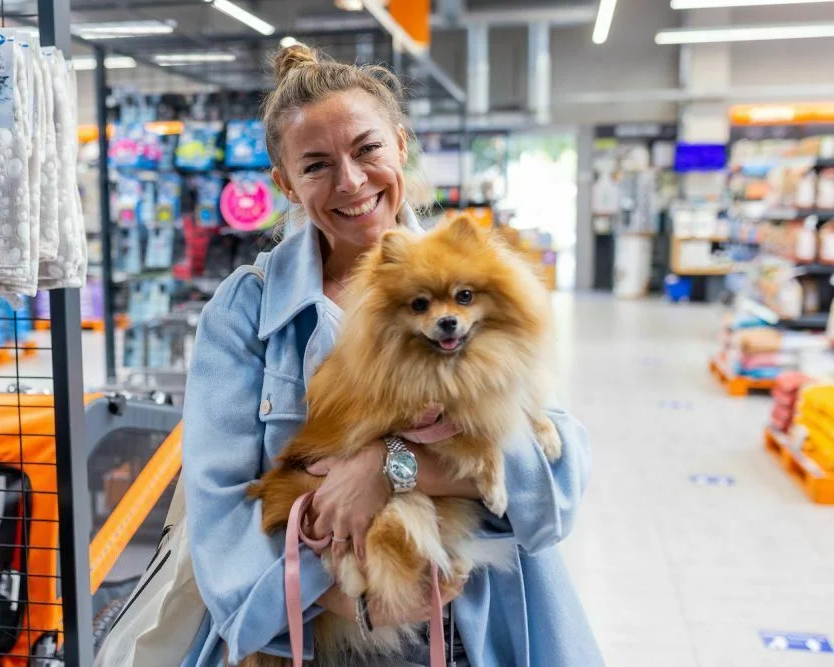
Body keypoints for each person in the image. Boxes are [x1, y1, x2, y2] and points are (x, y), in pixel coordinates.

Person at [180, 44, 604, 667]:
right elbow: (218, 502)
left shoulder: (473, 277)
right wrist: (337, 601)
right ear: (285, 183)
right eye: (317, 165)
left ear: (400, 145)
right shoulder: (249, 308)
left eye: (367, 149)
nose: (350, 182)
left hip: (473, 622)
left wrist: (390, 465)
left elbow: (554, 483)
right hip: (316, 629)